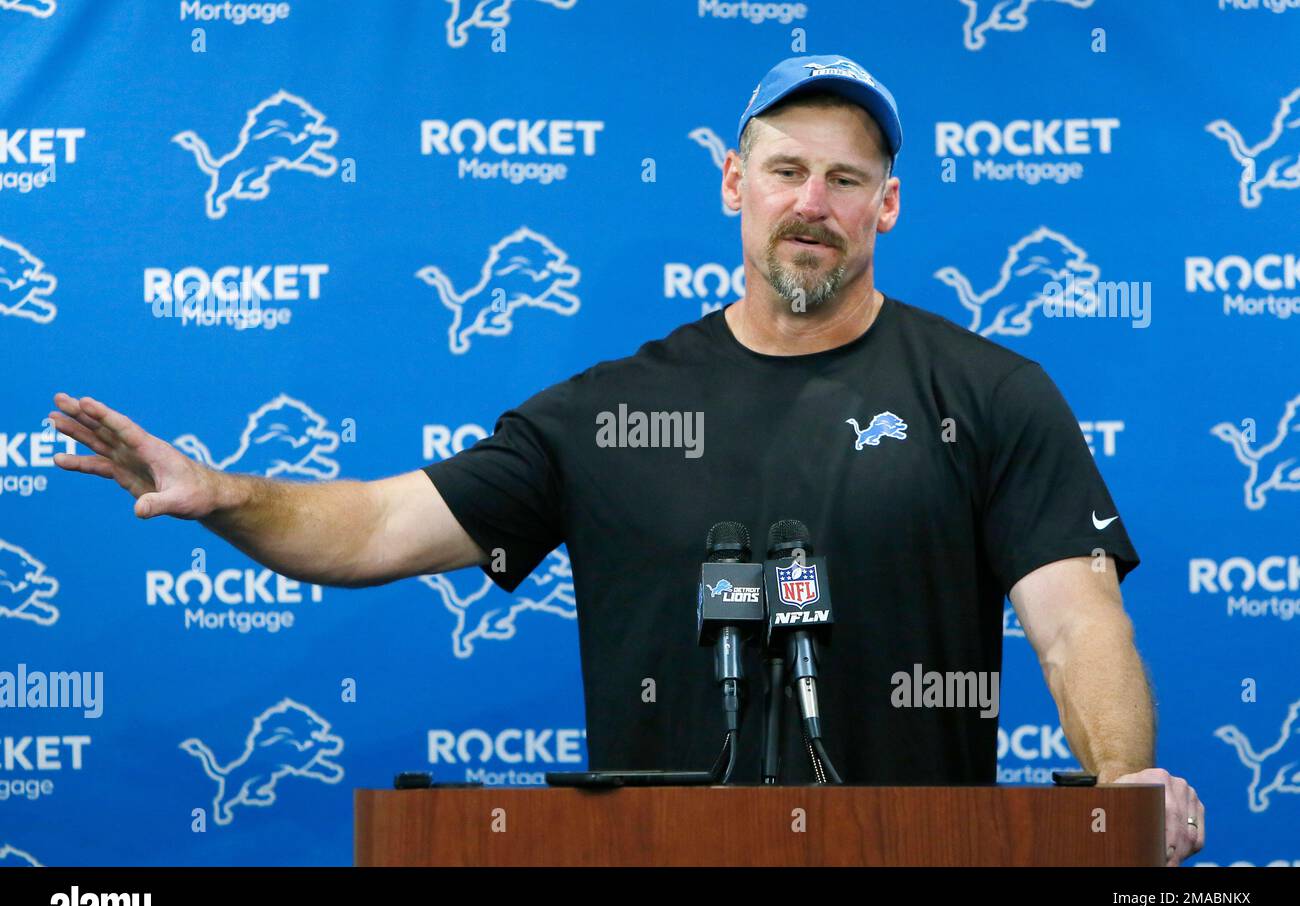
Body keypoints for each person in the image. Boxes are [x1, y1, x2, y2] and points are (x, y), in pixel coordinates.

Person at [52, 53, 1204, 864]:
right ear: (732, 186)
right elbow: (372, 528)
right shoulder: (609, 412)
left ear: (887, 205)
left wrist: (1117, 791)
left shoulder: (990, 392)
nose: (813, 202)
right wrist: (225, 496)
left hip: (920, 858)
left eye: (846, 180)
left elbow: (1074, 618)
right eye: (786, 169)